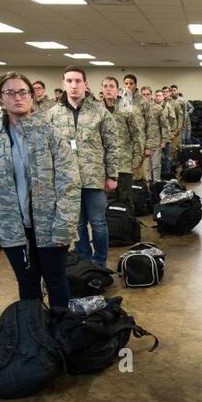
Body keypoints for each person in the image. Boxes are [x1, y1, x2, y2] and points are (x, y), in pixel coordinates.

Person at [0, 71, 80, 312]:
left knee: (57, 281)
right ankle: (34, 335)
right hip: (11, 226)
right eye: (10, 92)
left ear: (31, 96)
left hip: (51, 224)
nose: (18, 97)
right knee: (27, 284)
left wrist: (64, 226)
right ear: (0, 97)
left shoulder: (51, 134)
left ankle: (62, 333)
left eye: (23, 92)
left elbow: (69, 183)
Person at [50, 66, 120, 268]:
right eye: (69, 81)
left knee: (98, 223)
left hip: (94, 177)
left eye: (78, 81)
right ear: (64, 84)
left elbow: (112, 144)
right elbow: (48, 148)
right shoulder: (54, 114)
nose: (73, 85)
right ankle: (84, 261)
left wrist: (112, 175)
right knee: (78, 224)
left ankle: (99, 262)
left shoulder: (99, 111)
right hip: (67, 180)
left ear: (85, 84)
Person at [99, 74, 140, 210]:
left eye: (112, 86)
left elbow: (136, 134)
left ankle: (127, 226)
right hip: (102, 163)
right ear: (102, 89)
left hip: (124, 162)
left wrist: (137, 158)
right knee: (105, 202)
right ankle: (111, 228)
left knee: (125, 198)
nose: (108, 89)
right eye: (105, 86)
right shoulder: (96, 110)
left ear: (117, 89)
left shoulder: (126, 108)